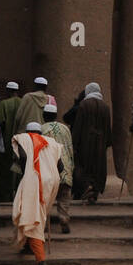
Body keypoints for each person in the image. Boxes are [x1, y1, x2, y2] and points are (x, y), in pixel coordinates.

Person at [12, 121, 63, 265]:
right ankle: (29, 246)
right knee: (37, 215)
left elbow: (23, 157)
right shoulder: (52, 143)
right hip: (52, 181)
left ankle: (41, 264)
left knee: (31, 217)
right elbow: (60, 167)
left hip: (35, 179)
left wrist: (26, 171)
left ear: (28, 131)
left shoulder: (24, 139)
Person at [72, 81, 113, 203]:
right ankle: (94, 191)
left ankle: (87, 187)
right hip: (100, 143)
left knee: (84, 166)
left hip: (85, 143)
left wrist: (74, 143)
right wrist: (107, 142)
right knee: (97, 167)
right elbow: (107, 127)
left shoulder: (84, 105)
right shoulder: (105, 107)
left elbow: (78, 125)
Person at [41, 100, 74, 236]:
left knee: (47, 197)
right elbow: (70, 148)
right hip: (65, 167)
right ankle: (64, 218)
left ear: (44, 115)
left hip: (49, 168)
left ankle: (44, 224)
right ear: (55, 115)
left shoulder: (42, 129)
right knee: (64, 197)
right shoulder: (65, 128)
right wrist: (71, 165)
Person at [0, 81, 22, 202]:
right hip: (21, 142)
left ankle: (6, 196)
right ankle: (17, 194)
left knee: (5, 170)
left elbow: (1, 123)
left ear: (8, 91)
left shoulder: (4, 103)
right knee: (19, 168)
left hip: (7, 142)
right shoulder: (22, 102)